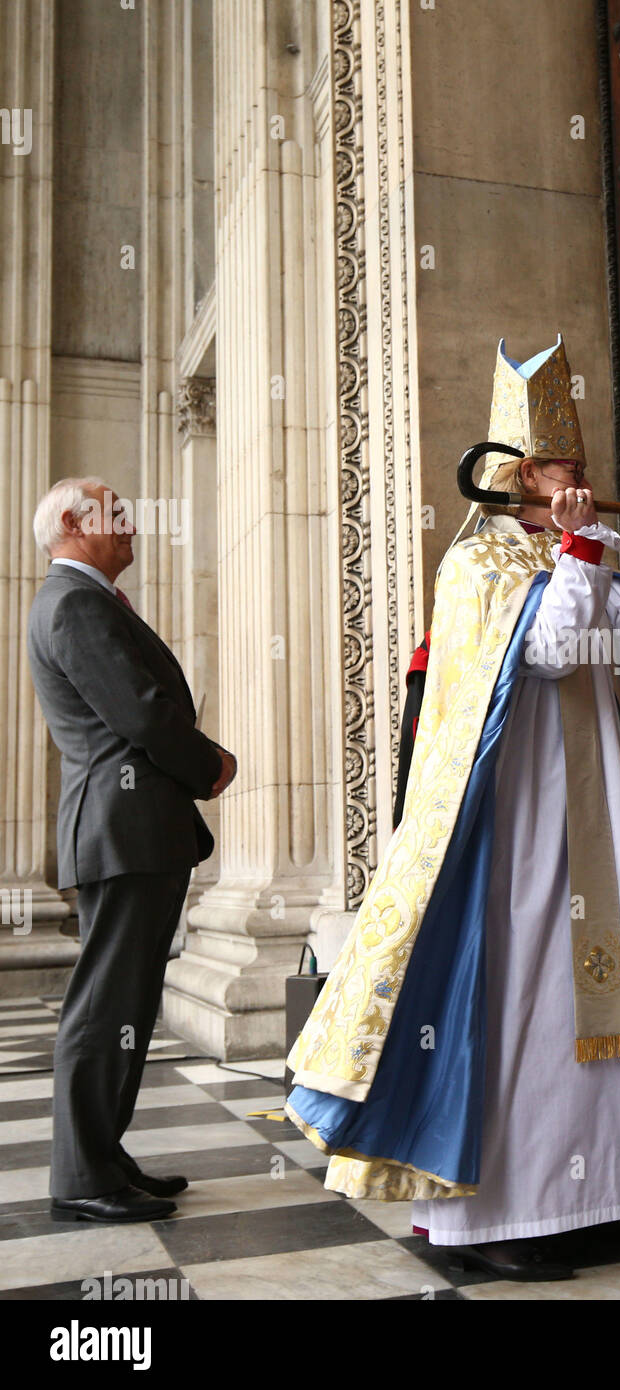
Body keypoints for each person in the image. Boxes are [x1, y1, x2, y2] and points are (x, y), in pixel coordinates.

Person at [286, 336, 620, 1279]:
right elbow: (558, 647)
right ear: (521, 478)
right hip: (517, 829)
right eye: (562, 473)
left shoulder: (570, 553)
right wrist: (576, 551)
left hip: (588, 816)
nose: (580, 486)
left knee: (590, 997)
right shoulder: (477, 566)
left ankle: (585, 1198)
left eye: (578, 473)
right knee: (522, 997)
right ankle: (500, 1218)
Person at [27, 477, 237, 1224]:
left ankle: (104, 1157)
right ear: (75, 523)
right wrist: (211, 764)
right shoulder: (75, 604)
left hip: (134, 828)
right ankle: (83, 1175)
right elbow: (141, 717)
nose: (132, 523)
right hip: (120, 828)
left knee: (128, 1002)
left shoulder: (82, 600)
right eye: (116, 512)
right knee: (104, 1003)